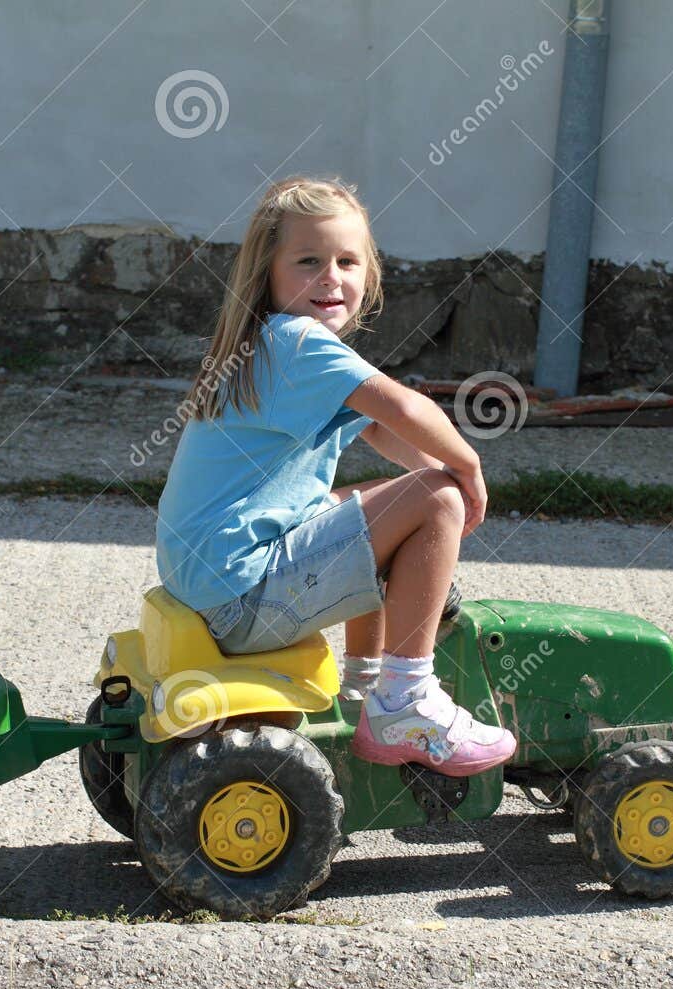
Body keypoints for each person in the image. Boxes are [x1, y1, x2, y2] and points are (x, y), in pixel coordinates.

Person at [154, 175, 516, 776]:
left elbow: (377, 431)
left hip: (212, 580)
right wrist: (462, 473)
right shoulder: (296, 342)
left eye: (347, 261)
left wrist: (427, 495)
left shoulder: (271, 344)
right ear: (266, 274)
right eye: (308, 261)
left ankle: (367, 688)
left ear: (369, 274)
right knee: (436, 499)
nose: (331, 276)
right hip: (242, 595)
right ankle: (404, 701)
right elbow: (402, 409)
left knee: (383, 505)